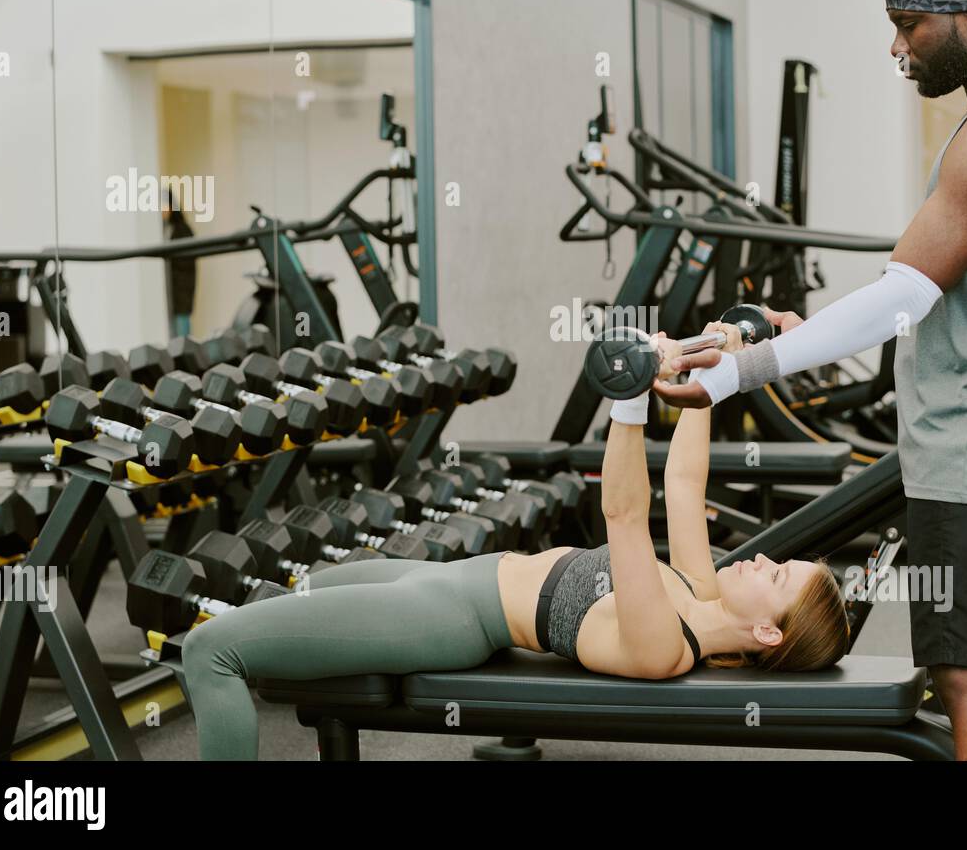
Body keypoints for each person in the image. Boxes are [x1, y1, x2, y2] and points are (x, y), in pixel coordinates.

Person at [655, 0, 967, 761]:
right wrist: (800, 331)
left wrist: (739, 372)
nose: (897, 46)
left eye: (909, 23)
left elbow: (906, 294)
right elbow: (956, 285)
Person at [179, 322, 850, 760]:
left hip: (449, 615)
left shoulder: (666, 646)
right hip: (450, 575)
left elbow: (621, 513)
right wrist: (718, 366)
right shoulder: (700, 591)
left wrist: (629, 398)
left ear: (767, 634)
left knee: (213, 650)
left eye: (777, 576)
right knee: (298, 603)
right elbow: (680, 480)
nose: (762, 558)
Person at [163, 187, 197, 337]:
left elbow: (186, 263)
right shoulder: (165, 230)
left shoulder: (183, 230)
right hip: (171, 295)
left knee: (182, 337)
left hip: (181, 294)